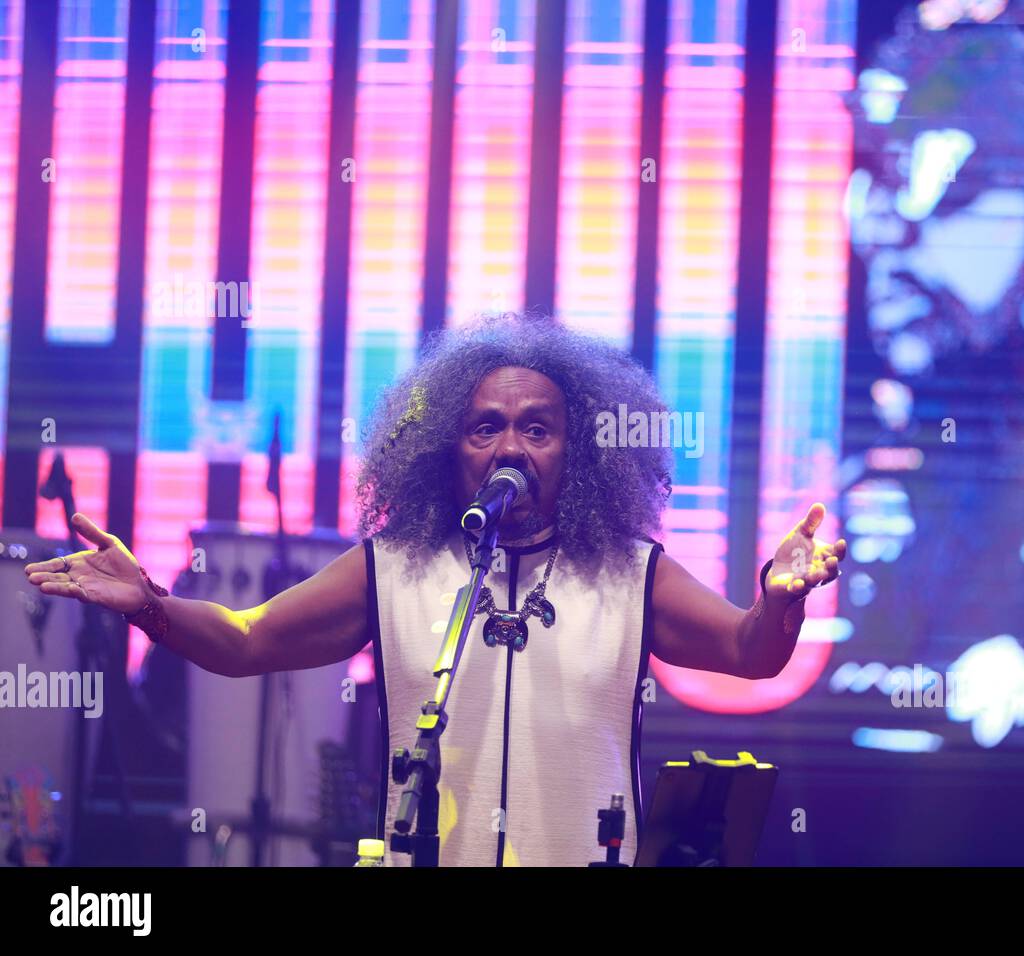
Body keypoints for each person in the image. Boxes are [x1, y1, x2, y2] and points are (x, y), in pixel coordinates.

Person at [25, 312, 846, 866]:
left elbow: (751, 654)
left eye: (537, 428)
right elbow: (250, 642)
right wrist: (154, 607)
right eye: (485, 426)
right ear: (448, 451)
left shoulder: (633, 571)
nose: (509, 445)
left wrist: (781, 600)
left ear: (577, 453)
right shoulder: (397, 564)